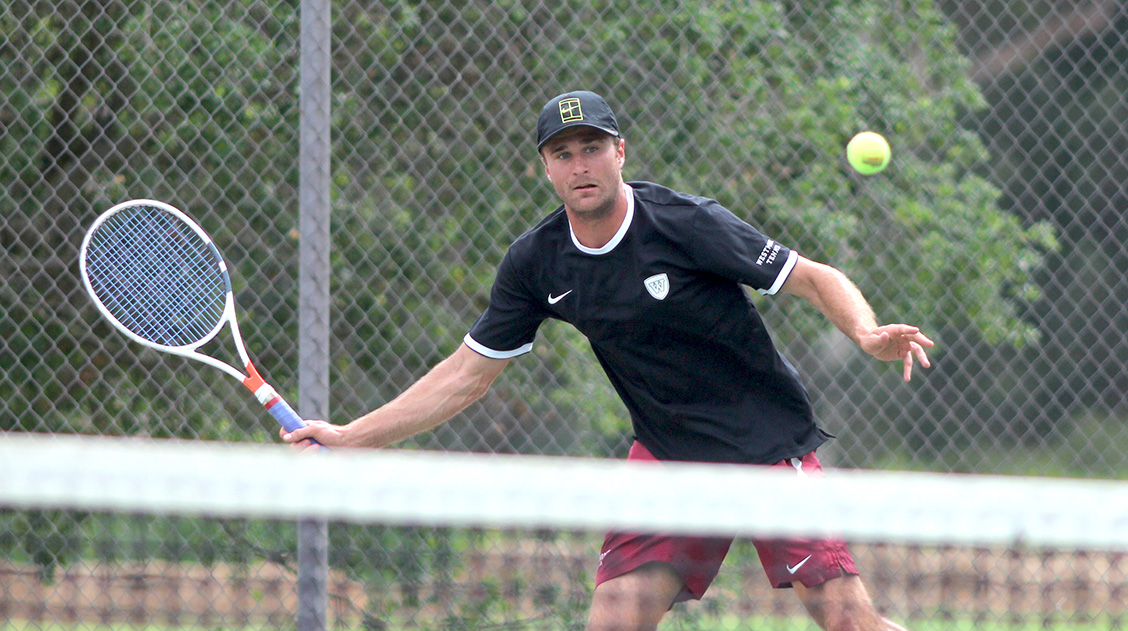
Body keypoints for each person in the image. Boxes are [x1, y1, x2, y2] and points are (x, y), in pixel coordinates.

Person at [283, 90, 932, 631]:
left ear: (620, 152)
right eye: (563, 153)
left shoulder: (687, 223)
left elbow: (814, 277)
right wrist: (348, 437)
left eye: (592, 147)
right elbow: (465, 376)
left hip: (765, 446)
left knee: (851, 623)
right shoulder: (537, 262)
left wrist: (866, 331)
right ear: (545, 167)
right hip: (667, 460)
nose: (580, 164)